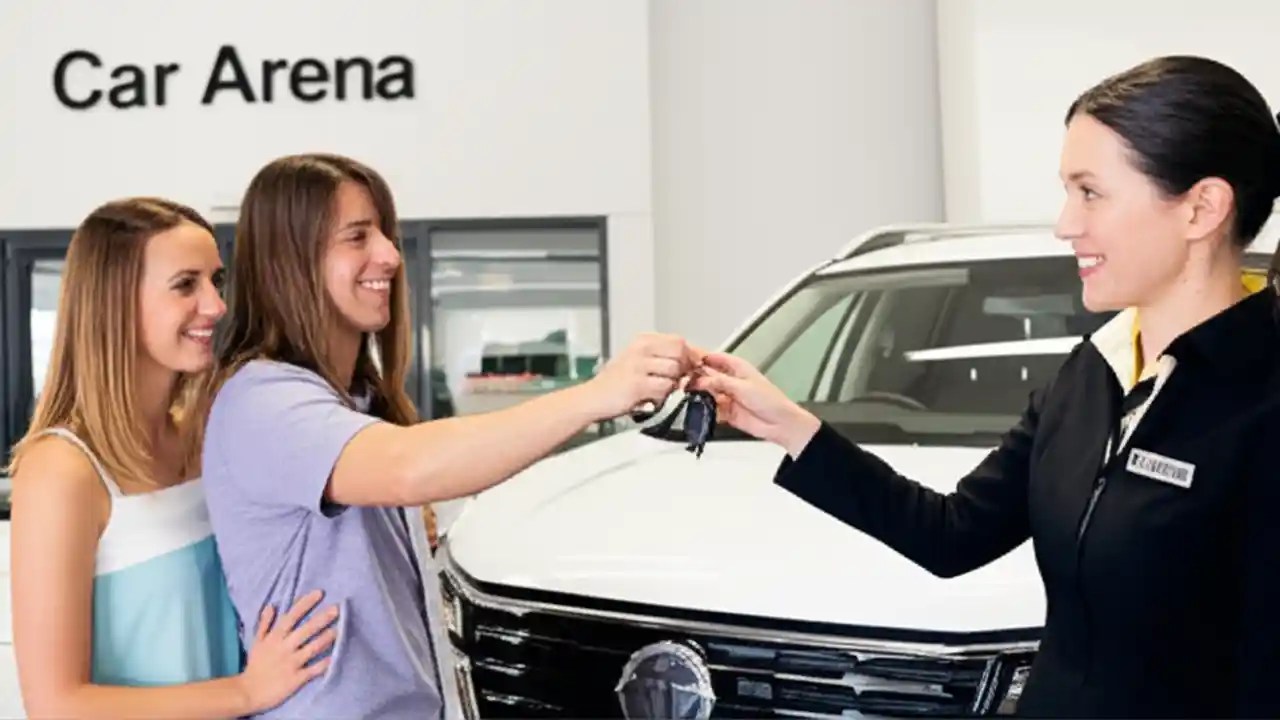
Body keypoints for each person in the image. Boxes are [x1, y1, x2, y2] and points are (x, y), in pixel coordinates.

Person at [691, 56, 1280, 718]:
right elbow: (953, 533)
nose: (1066, 223)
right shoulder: (1096, 372)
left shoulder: (1262, 402)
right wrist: (790, 427)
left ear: (1201, 207)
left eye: (1090, 192)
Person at [198, 152, 695, 719]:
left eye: (384, 233)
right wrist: (596, 395)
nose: (388, 254)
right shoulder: (262, 399)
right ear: (293, 260)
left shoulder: (357, 401)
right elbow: (410, 469)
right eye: (357, 237)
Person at [8, 198, 339, 719]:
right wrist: (246, 692)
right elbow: (57, 706)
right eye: (186, 284)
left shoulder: (209, 437)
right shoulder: (62, 472)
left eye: (216, 281)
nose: (216, 305)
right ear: (115, 303)